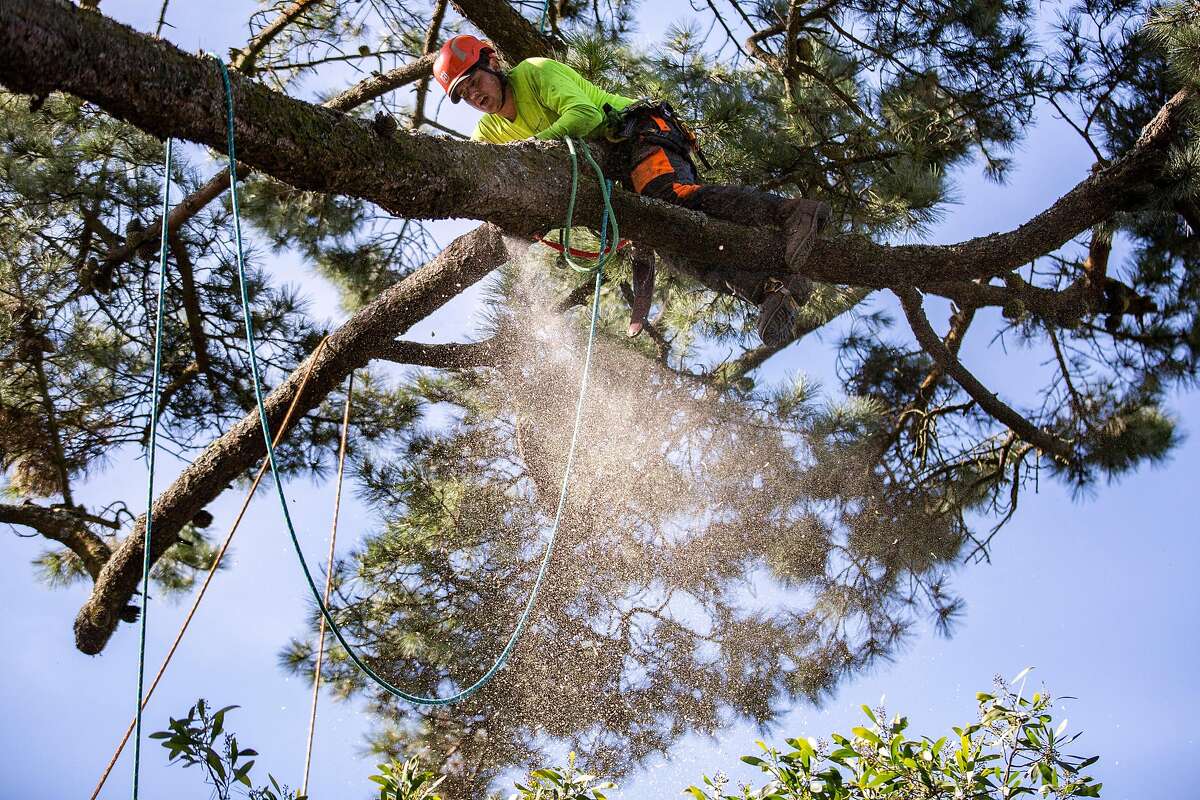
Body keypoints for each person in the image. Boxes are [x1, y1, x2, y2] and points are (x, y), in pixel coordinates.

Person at [433, 34, 831, 346]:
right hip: (617, 173)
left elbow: (584, 114)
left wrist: (533, 151)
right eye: (463, 94)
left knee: (669, 199)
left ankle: (792, 213)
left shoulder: (534, 72)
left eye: (475, 82)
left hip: (638, 135)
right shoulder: (488, 132)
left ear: (492, 62)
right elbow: (493, 174)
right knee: (674, 245)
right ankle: (771, 289)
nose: (474, 96)